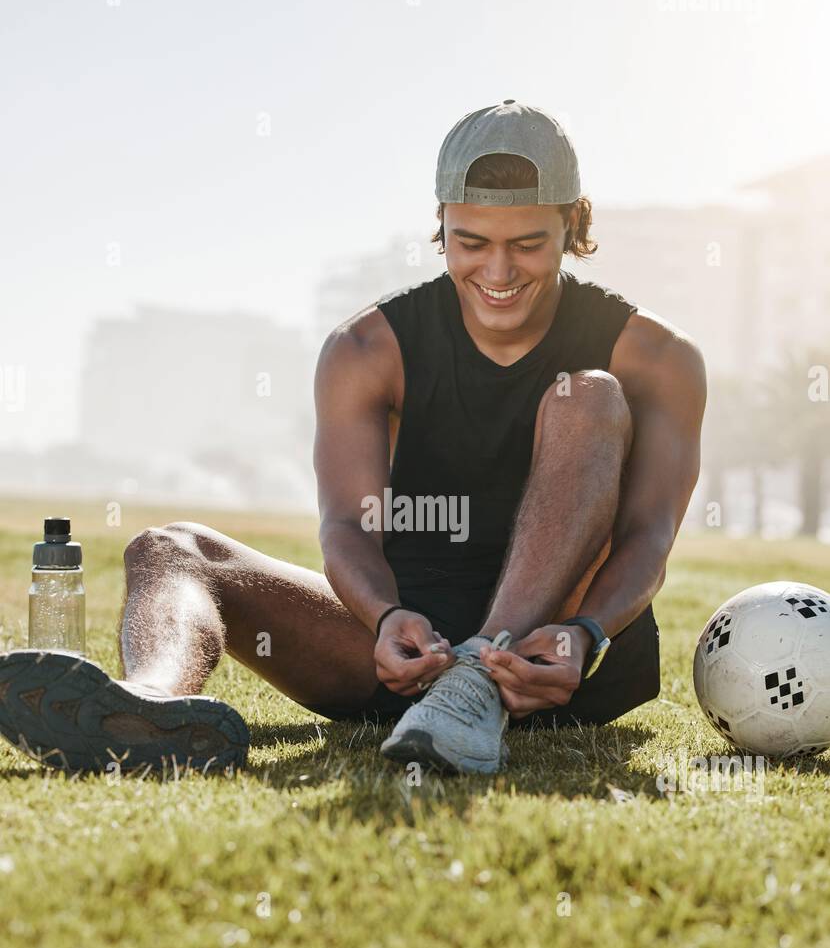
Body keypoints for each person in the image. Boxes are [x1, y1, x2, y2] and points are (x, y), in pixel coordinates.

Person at [0, 101, 705, 776]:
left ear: (572, 223)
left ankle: (475, 685)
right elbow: (346, 525)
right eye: (471, 243)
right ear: (441, 222)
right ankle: (149, 707)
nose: (498, 272)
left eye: (527, 245)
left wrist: (586, 633)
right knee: (169, 549)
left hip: (558, 661)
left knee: (588, 395)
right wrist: (386, 617)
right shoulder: (367, 348)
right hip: (408, 659)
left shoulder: (659, 358)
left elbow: (648, 537)